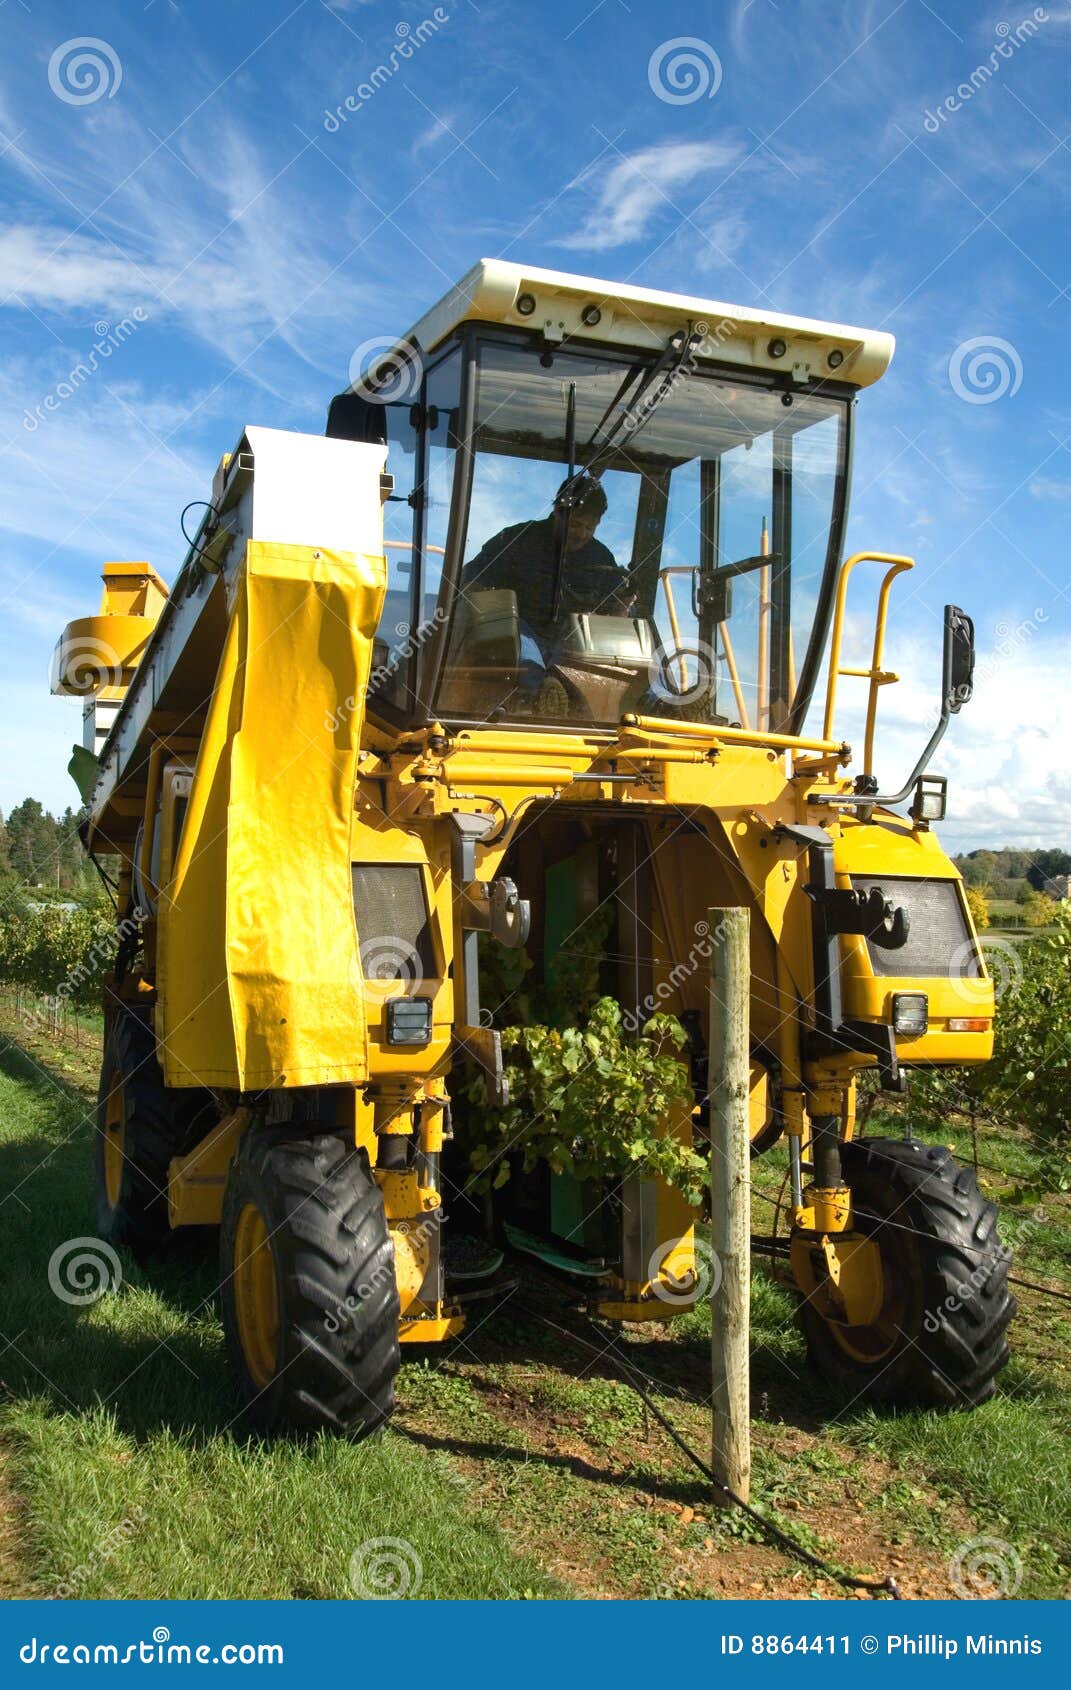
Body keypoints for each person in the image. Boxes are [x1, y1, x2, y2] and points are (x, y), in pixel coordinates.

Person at [459, 474, 633, 651]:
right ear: (558, 511)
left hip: (575, 643)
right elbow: (472, 581)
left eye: (590, 527)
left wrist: (622, 607)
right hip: (520, 636)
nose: (582, 534)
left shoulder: (601, 556)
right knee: (529, 666)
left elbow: (618, 609)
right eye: (575, 524)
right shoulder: (517, 539)